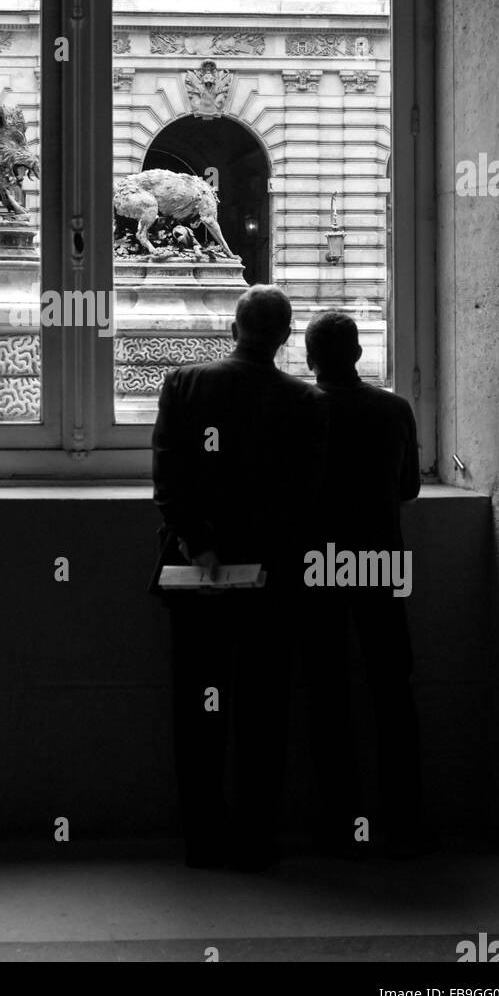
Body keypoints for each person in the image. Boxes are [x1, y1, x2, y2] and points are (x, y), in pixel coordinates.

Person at [152, 285, 328, 869]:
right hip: (270, 575)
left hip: (194, 571)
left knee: (195, 708)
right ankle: (256, 838)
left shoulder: (182, 383)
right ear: (284, 337)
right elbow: (305, 496)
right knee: (263, 708)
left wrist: (196, 538)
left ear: (234, 327)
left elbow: (168, 475)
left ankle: (201, 839)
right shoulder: (303, 402)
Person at [302, 310, 426, 857]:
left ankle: (338, 823)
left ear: (309, 359)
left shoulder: (299, 409)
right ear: (356, 355)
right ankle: (406, 822)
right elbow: (408, 491)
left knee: (328, 691)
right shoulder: (395, 408)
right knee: (393, 688)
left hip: (318, 562)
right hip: (380, 557)